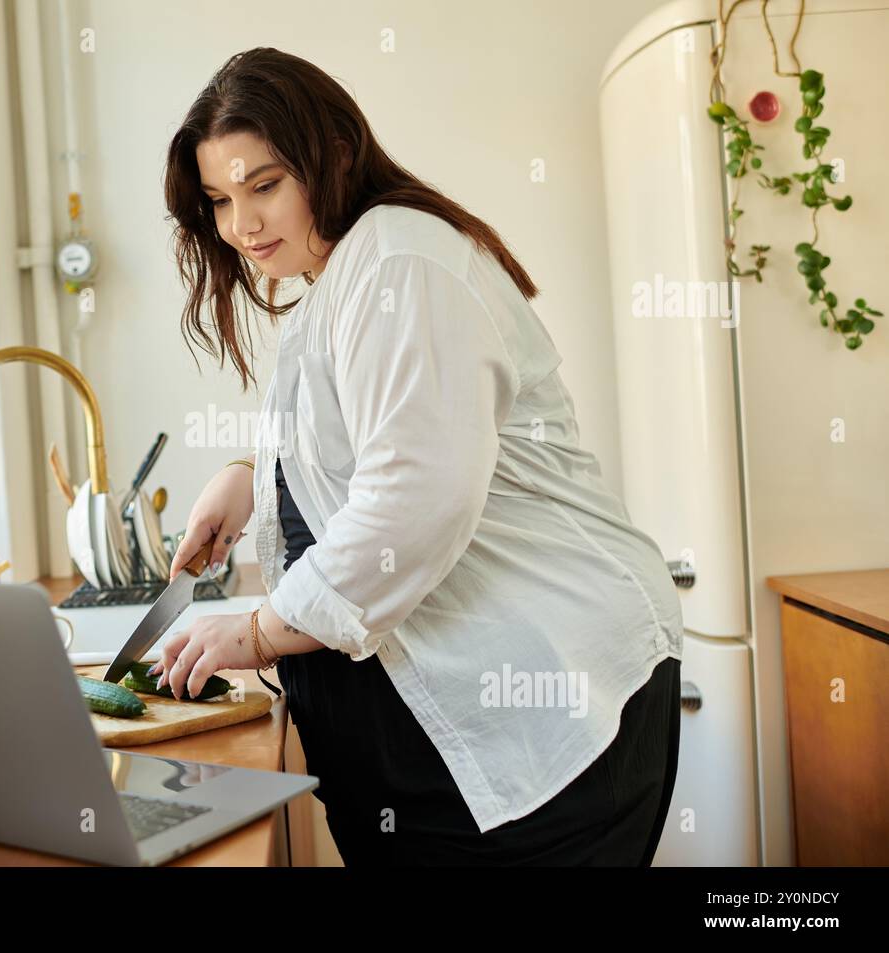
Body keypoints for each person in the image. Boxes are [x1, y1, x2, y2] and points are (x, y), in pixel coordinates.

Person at [146, 47, 683, 866]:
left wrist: (256, 633)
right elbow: (376, 437)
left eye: (263, 186)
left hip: (545, 708)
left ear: (333, 156)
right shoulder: (343, 278)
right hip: (441, 733)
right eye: (219, 199)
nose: (241, 225)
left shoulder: (399, 260)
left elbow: (418, 499)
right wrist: (250, 477)